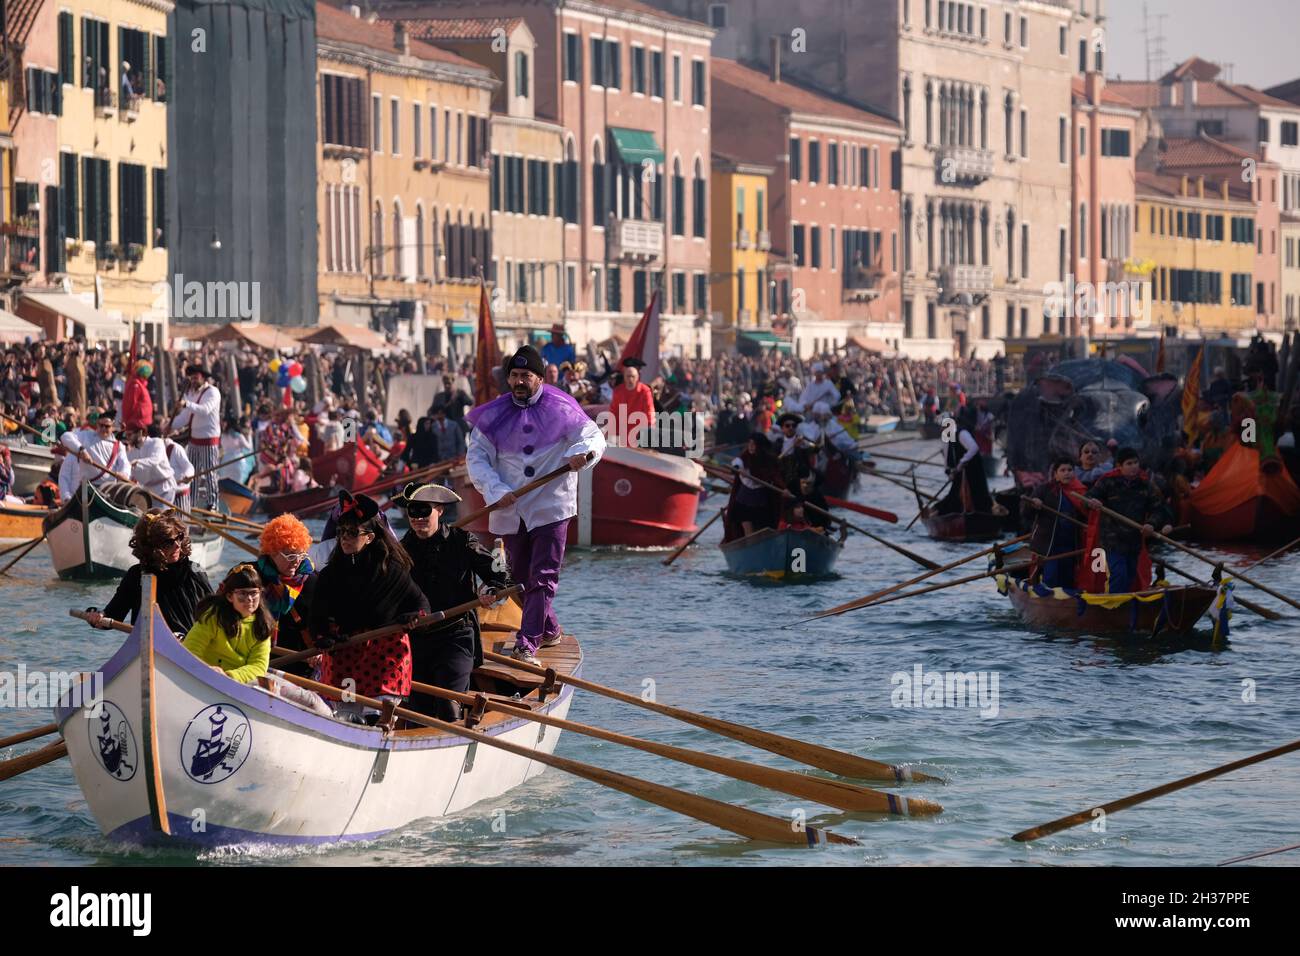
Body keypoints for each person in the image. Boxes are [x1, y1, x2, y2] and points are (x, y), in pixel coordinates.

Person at [466, 345, 606, 665]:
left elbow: (593, 436)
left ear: (539, 378)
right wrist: (495, 489)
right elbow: (476, 458)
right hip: (510, 505)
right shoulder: (494, 415)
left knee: (543, 576)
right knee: (519, 579)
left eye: (525, 376)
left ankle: (526, 644)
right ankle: (550, 629)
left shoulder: (562, 406)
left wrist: (582, 454)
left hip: (551, 505)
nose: (518, 381)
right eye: (514, 376)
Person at [307, 491, 429, 723]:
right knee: (345, 718)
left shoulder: (391, 569)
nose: (344, 538)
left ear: (370, 537)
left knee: (376, 719)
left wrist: (414, 616)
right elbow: (317, 616)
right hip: (345, 654)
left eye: (352, 533)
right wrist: (321, 636)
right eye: (341, 532)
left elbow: (421, 604)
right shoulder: (330, 574)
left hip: (385, 654)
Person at [399, 482, 511, 719]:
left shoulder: (463, 541)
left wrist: (492, 588)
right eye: (413, 512)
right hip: (417, 639)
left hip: (456, 636)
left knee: (448, 705)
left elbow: (499, 572)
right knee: (417, 714)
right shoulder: (401, 551)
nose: (418, 518)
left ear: (439, 510)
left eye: (424, 511)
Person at [87, 511, 214, 634]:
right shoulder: (136, 575)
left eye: (179, 538)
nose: (177, 546)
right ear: (152, 547)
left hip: (189, 647)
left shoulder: (194, 571)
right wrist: (97, 615)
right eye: (168, 542)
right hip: (146, 644)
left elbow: (214, 614)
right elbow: (114, 614)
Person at [1083, 448, 1173, 594]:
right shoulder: (1107, 482)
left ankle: (1126, 610)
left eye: (1136, 463)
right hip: (1112, 540)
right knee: (1118, 575)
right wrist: (1091, 502)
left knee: (1130, 577)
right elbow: (1087, 498)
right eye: (1129, 463)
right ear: (1119, 466)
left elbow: (1158, 509)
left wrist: (1151, 523)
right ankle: (1114, 609)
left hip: (1134, 541)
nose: (1133, 466)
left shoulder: (1145, 486)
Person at [180, 563, 273, 685]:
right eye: (243, 594)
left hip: (237, 682)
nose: (249, 599)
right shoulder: (213, 616)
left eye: (254, 593)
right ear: (230, 596)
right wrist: (206, 671)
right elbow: (190, 650)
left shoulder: (262, 625)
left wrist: (230, 676)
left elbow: (258, 666)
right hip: (204, 676)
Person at [1023, 457, 1086, 588]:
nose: (1067, 473)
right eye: (1062, 470)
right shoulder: (1044, 490)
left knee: (1068, 580)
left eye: (1070, 470)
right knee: (1050, 579)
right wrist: (1034, 505)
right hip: (1049, 546)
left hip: (1070, 546)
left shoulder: (1079, 492)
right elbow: (1026, 514)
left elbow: (1086, 516)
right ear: (1055, 474)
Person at [169, 364, 222, 511]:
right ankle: (191, 503)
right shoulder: (191, 394)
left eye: (196, 377)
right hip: (194, 438)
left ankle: (213, 504)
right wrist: (170, 425)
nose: (193, 380)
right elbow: (185, 418)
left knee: (209, 472)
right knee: (192, 473)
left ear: (203, 377)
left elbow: (204, 410)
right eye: (191, 377)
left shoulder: (212, 392)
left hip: (209, 439)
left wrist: (186, 403)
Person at [722, 433, 785, 540]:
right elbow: (737, 463)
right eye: (749, 444)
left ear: (760, 446)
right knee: (748, 531)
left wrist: (783, 489)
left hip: (761, 498)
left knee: (762, 529)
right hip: (744, 498)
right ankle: (750, 543)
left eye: (754, 444)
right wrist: (737, 468)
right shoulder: (744, 457)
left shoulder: (769, 460)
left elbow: (775, 477)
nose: (751, 447)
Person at [935, 405, 992, 515]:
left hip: (973, 467)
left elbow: (974, 448)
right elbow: (947, 455)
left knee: (977, 494)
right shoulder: (948, 436)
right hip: (960, 469)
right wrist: (949, 471)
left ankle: (980, 513)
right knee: (955, 495)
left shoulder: (961, 433)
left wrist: (961, 463)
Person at [60, 409, 130, 496]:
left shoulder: (119, 446)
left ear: (112, 427)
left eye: (107, 426)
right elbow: (65, 436)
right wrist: (82, 450)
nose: (103, 428)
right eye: (101, 425)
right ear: (97, 425)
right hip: (87, 487)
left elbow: (125, 464)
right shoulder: (86, 436)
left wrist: (123, 473)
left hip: (109, 490)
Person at [608, 356, 655, 447]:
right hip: (623, 433)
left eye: (633, 377)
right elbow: (613, 412)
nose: (630, 379)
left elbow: (649, 412)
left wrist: (650, 431)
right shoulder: (618, 391)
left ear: (637, 377)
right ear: (624, 377)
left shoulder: (645, 391)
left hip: (639, 432)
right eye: (628, 376)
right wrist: (613, 432)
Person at [125, 424, 177, 504]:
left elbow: (155, 460)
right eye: (126, 435)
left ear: (140, 432)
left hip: (165, 488)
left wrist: (137, 462)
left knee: (161, 516)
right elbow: (128, 472)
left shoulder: (156, 442)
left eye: (129, 434)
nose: (127, 438)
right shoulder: (130, 453)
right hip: (148, 492)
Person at [121, 360, 153, 432]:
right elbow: (130, 404)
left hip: (143, 421)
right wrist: (126, 421)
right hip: (137, 422)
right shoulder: (135, 385)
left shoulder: (140, 384)